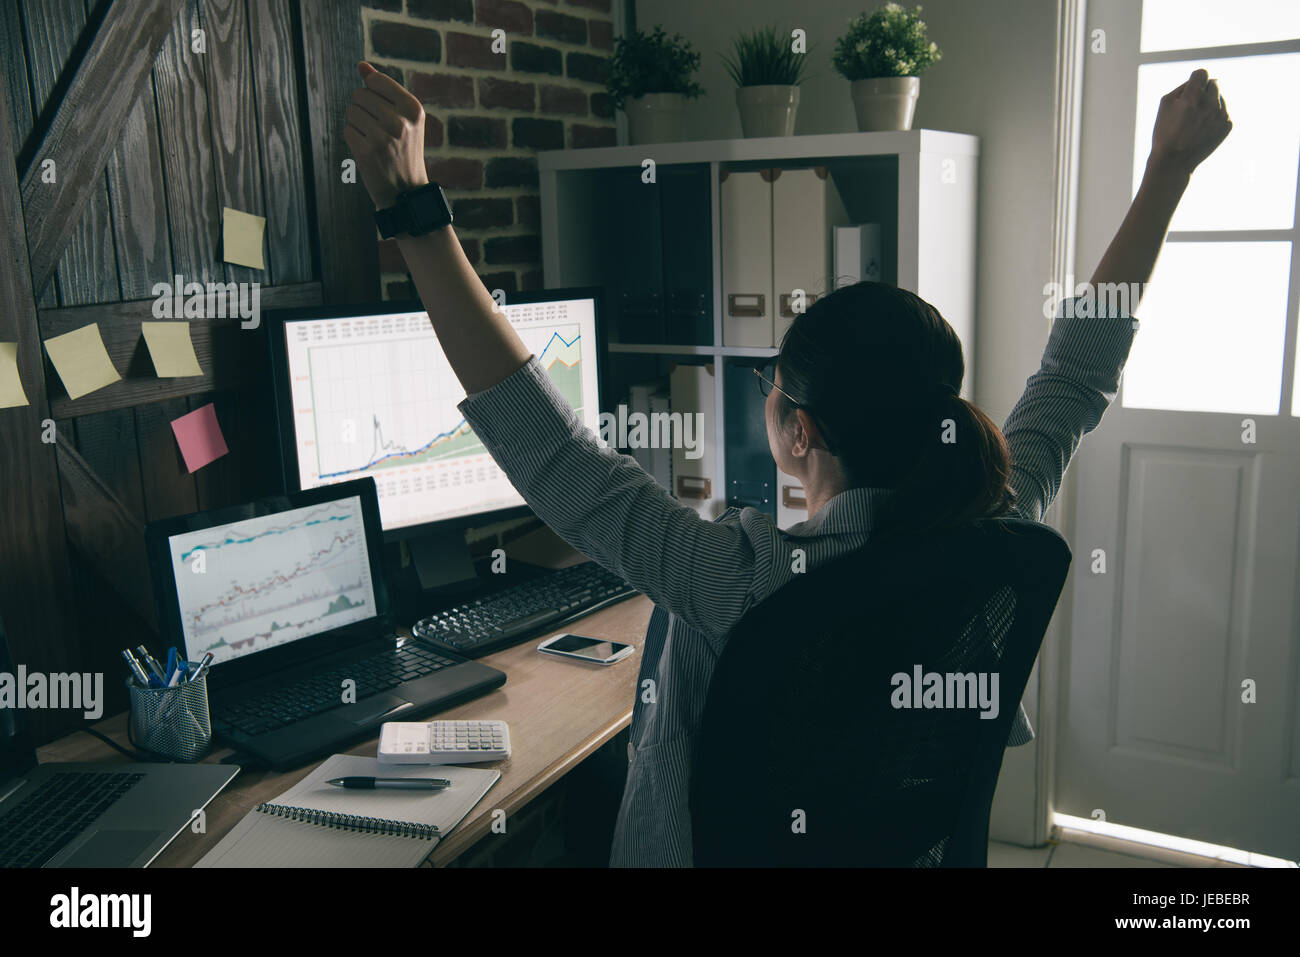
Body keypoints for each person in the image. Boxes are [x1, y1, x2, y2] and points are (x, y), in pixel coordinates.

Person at [342, 64, 1231, 866]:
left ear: (799, 433)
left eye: (772, 387)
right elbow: (1076, 374)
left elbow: (549, 452)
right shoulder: (997, 515)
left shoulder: (737, 576)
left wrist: (414, 209)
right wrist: (1165, 174)